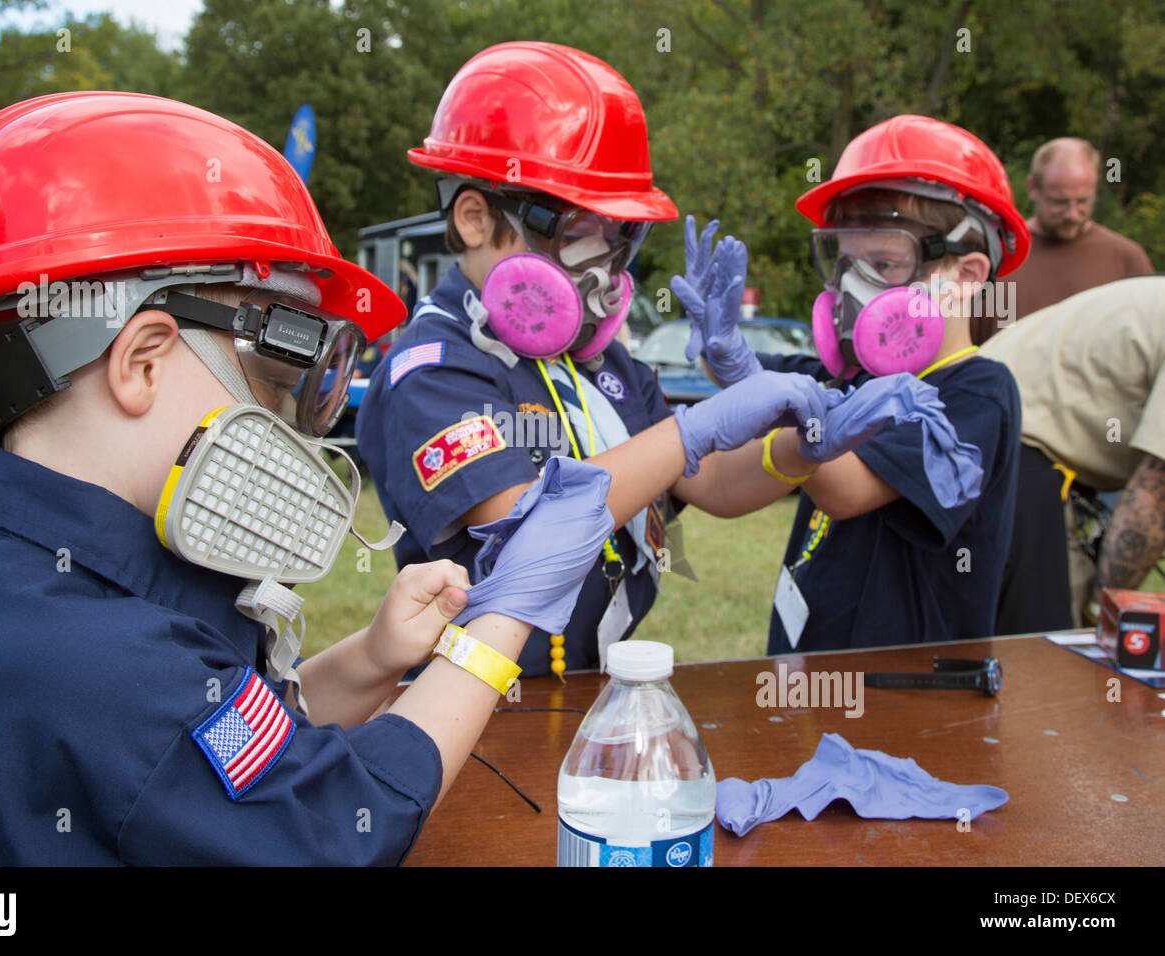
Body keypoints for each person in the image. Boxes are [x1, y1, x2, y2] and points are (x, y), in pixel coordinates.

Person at [0, 91, 617, 865]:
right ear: (143, 362)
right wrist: (502, 623)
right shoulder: (91, 655)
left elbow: (229, 750)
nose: (284, 417)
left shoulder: (51, 572)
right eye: (272, 370)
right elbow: (334, 830)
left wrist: (369, 658)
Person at [356, 42, 905, 677]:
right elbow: (521, 527)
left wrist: (806, 447)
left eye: (618, 237)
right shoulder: (433, 365)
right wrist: (692, 428)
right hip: (477, 701)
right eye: (576, 232)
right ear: (476, 218)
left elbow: (712, 482)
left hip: (589, 681)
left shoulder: (599, 362)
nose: (605, 265)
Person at [681, 115, 1028, 653]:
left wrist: (755, 387)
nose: (852, 286)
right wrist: (721, 346)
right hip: (812, 672)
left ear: (966, 275)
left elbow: (845, 489)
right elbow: (757, 374)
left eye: (884, 263)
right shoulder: (853, 376)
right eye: (844, 262)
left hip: (907, 702)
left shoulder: (977, 393)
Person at [982, 276, 1165, 632]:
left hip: (989, 432)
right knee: (1053, 657)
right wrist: (1104, 613)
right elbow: (1150, 501)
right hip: (1017, 452)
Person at [982, 136, 1153, 338]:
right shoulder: (997, 256)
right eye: (1059, 202)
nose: (1071, 214)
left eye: (1082, 201)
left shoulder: (1125, 259)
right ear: (1033, 189)